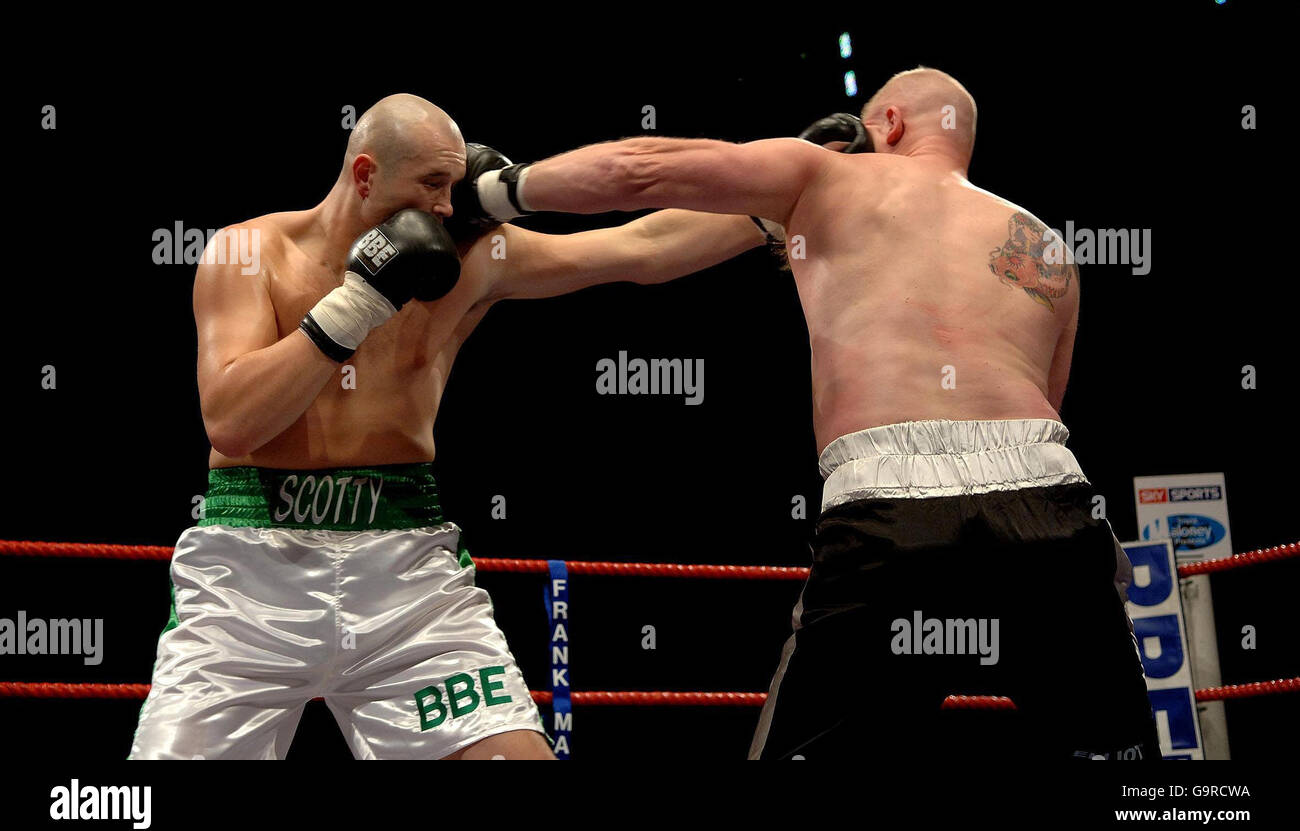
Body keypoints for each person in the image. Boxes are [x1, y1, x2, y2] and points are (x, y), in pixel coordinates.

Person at [461, 68, 1162, 760]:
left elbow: (640, 167)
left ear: (884, 124)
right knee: (1136, 776)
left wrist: (498, 192)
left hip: (890, 513)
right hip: (1048, 505)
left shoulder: (822, 174)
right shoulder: (1047, 247)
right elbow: (1049, 408)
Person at [129, 94, 767, 759]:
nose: (445, 206)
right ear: (366, 174)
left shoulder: (470, 260)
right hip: (251, 572)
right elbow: (232, 421)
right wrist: (357, 302)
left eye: (454, 185)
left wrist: (773, 208)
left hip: (405, 573)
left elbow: (641, 247)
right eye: (431, 184)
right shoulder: (248, 252)